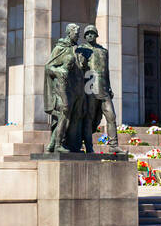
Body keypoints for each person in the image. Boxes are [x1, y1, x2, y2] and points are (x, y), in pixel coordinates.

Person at [79, 24, 119, 154]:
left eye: (92, 33)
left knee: (111, 116)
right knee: (89, 118)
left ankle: (113, 145)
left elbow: (106, 71)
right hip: (89, 87)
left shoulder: (103, 51)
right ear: (85, 36)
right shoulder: (81, 50)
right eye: (88, 34)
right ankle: (88, 146)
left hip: (103, 88)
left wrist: (110, 87)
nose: (90, 35)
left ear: (96, 35)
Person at [44, 24, 84, 154]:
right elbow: (48, 67)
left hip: (76, 89)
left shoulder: (77, 49)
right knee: (64, 116)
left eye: (78, 34)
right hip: (64, 89)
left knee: (73, 118)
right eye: (76, 33)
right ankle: (57, 144)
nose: (77, 35)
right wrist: (59, 72)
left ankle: (65, 144)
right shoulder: (60, 48)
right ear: (69, 33)